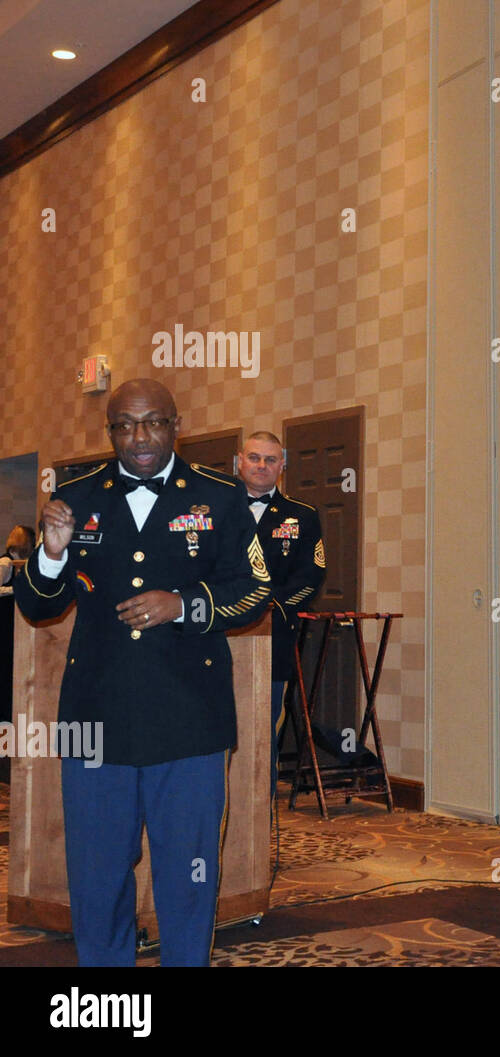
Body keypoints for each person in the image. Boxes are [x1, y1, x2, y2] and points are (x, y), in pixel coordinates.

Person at [13, 378, 271, 966]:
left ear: (176, 424)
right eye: (125, 426)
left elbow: (254, 590)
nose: (139, 437)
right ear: (111, 433)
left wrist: (184, 605)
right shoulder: (77, 500)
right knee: (97, 875)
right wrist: (51, 552)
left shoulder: (221, 498)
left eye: (152, 421)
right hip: (96, 720)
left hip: (190, 718)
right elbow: (37, 606)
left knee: (188, 871)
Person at [235, 431, 325, 785]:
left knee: (263, 729)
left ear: (282, 466)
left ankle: (259, 816)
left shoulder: (301, 515)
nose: (261, 466)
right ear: (239, 461)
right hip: (215, 636)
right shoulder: (214, 510)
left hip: (273, 639)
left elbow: (312, 574)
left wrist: (269, 608)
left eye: (270, 460)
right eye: (254, 457)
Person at [0, 525, 35, 596]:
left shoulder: (17, 563)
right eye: (33, 544)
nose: (33, 548)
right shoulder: (6, 562)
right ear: (26, 544)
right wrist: (16, 589)